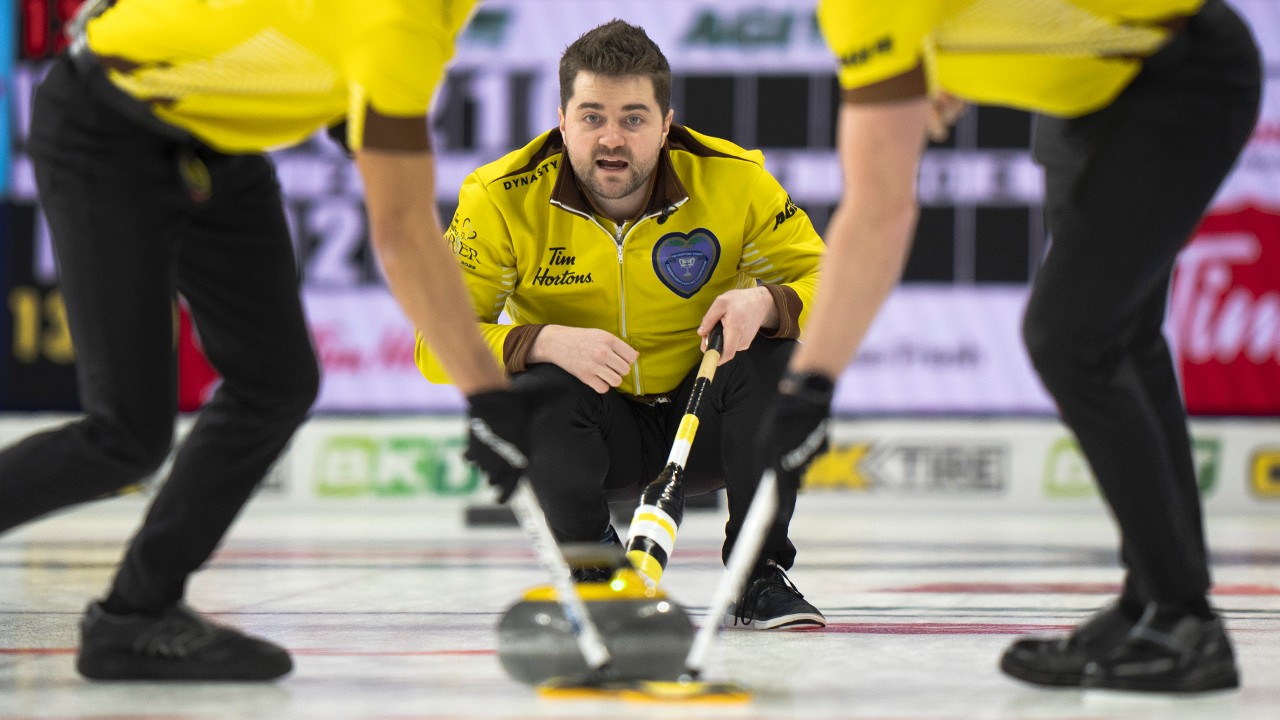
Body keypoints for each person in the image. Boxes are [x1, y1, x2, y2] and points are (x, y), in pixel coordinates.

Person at [0, 0, 533, 681]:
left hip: (214, 135)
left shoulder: (431, 16)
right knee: (125, 436)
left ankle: (134, 616)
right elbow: (401, 235)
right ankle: (134, 616)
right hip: (105, 125)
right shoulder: (400, 22)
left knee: (276, 383)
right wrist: (488, 396)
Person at [754, 0, 1261, 693]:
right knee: (1122, 336)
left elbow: (879, 213)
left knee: (1072, 336)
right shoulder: (858, 13)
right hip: (1086, 98)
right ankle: (1156, 602)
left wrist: (810, 383)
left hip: (1179, 69)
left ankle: (1184, 620)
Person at [416, 20, 828, 630]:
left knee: (776, 358)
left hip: (706, 420)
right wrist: (542, 340)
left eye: (634, 118)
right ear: (562, 121)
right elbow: (435, 345)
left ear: (666, 125)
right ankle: (596, 573)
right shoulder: (498, 198)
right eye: (592, 117)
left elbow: (830, 284)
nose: (612, 139)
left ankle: (759, 575)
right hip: (595, 435)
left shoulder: (735, 179)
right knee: (534, 386)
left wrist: (769, 303)